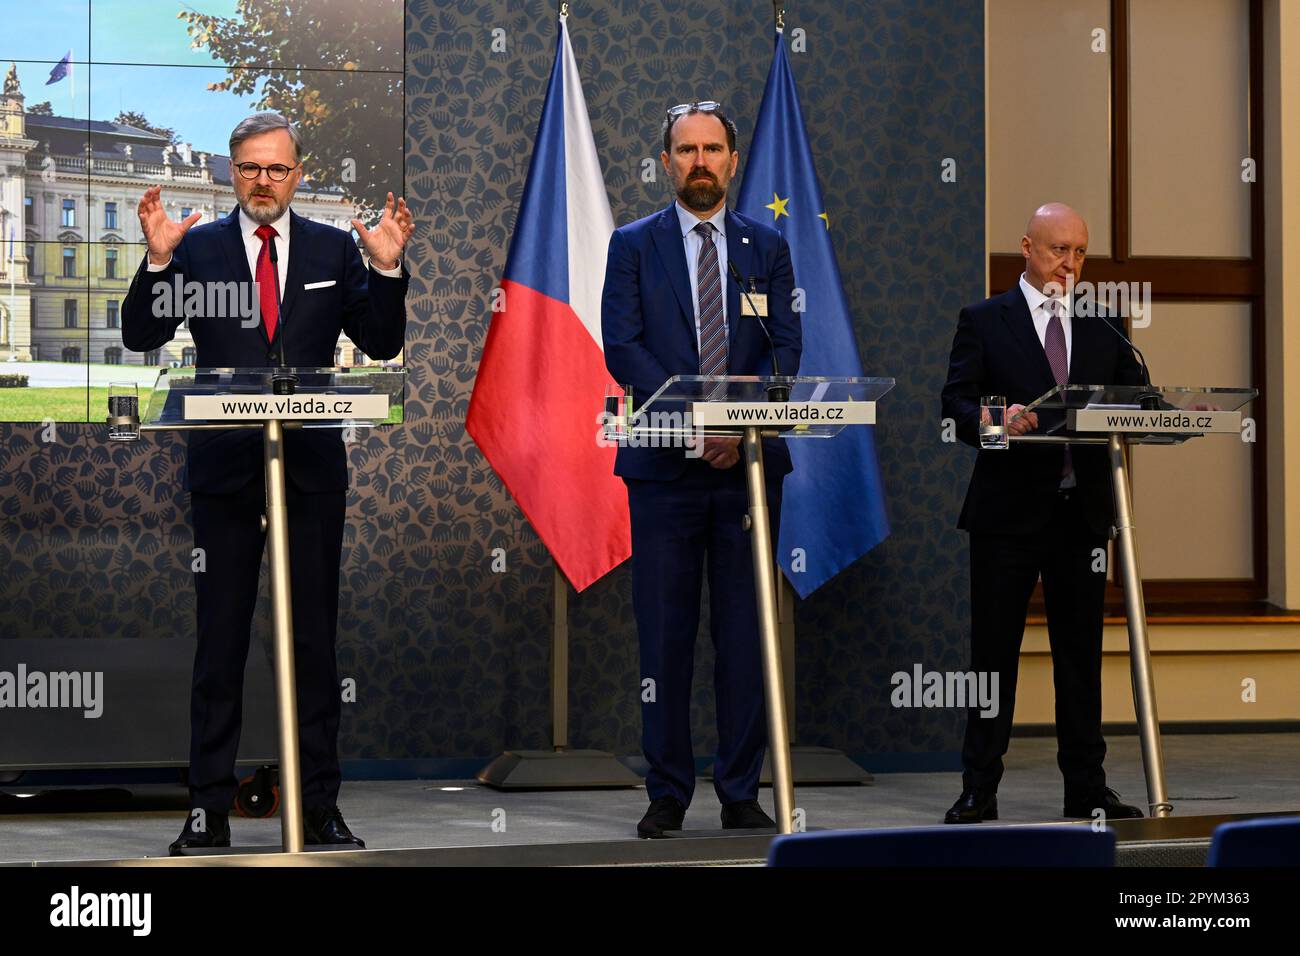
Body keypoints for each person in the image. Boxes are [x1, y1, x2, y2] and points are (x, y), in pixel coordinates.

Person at [121, 112, 412, 853]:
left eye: (277, 169)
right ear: (230, 171)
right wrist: (156, 264)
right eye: (250, 167)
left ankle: (319, 809)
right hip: (224, 473)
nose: (263, 181)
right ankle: (206, 812)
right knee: (220, 644)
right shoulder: (199, 248)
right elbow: (142, 336)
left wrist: (384, 268)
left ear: (298, 173)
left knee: (314, 643)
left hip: (310, 473)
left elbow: (382, 340)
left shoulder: (331, 247)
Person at [601, 101, 802, 838]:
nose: (700, 162)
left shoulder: (767, 245)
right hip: (663, 469)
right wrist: (697, 420)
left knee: (746, 635)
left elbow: (787, 348)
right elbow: (622, 348)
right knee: (665, 637)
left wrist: (737, 428)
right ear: (666, 163)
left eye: (712, 149)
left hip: (748, 471)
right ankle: (668, 791)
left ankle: (742, 790)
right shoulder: (632, 245)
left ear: (733, 159)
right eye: (685, 150)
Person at [940, 202, 1146, 824]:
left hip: (1080, 515)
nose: (1070, 265)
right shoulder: (985, 320)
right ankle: (979, 787)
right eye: (1059, 250)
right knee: (993, 656)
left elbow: (1129, 404)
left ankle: (1085, 787)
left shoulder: (1104, 326)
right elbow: (956, 411)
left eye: (1080, 253)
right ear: (1027, 247)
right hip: (1007, 515)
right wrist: (1000, 427)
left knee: (1080, 656)